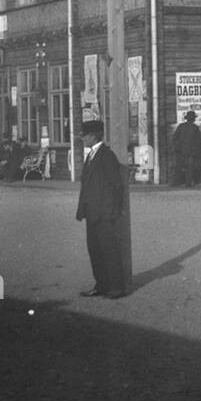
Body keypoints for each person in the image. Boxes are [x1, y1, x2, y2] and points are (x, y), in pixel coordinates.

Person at [75, 120, 130, 298]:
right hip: (92, 212)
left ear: (93, 136)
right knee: (94, 250)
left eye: (84, 135)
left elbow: (116, 185)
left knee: (109, 249)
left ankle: (117, 287)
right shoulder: (91, 155)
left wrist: (113, 210)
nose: (82, 138)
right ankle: (101, 284)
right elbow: (87, 185)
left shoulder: (106, 156)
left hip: (104, 212)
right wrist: (82, 208)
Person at [171, 110, 201, 187]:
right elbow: (200, 140)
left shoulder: (181, 126)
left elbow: (175, 138)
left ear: (187, 118)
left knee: (179, 167)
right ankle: (188, 183)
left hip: (180, 151)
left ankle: (176, 183)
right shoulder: (195, 128)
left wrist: (177, 147)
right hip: (191, 152)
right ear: (193, 119)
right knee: (189, 168)